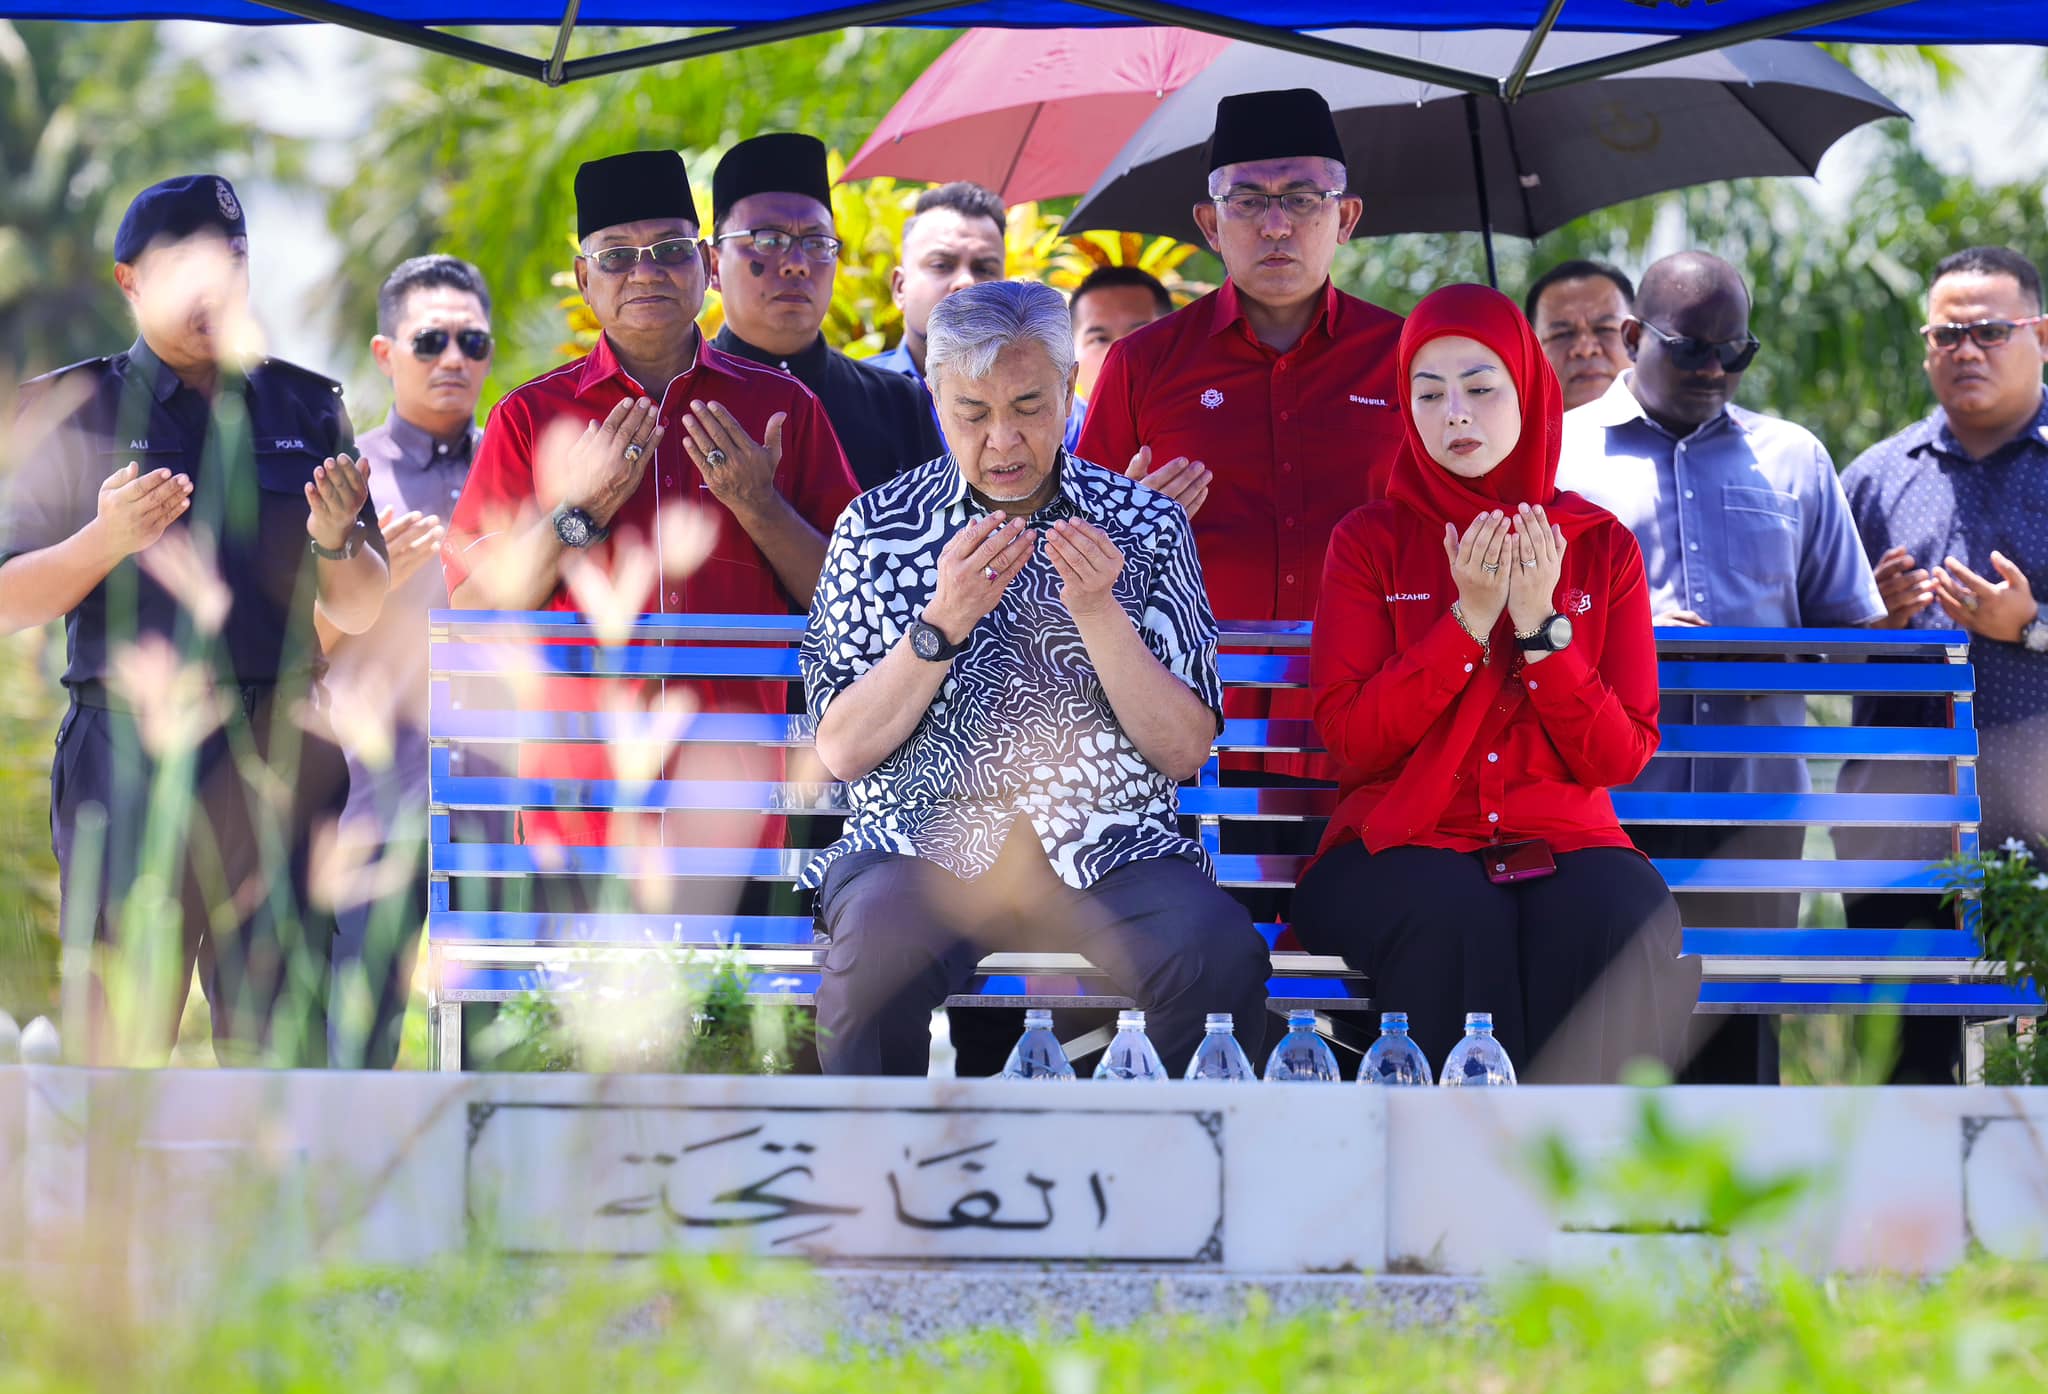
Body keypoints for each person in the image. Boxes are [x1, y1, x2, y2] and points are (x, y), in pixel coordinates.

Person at [800, 280, 1270, 1077]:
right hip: (919, 844)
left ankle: (1171, 1190)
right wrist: (941, 622)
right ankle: (878, 1194)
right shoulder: (876, 528)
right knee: (873, 972)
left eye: (1028, 406)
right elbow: (840, 751)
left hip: (1109, 845)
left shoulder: (1144, 524)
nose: (1004, 441)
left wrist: (1099, 612)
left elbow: (1185, 749)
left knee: (1216, 958)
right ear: (934, 400)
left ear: (1069, 389)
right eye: (973, 414)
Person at [0, 174, 387, 1065]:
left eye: (232, 260)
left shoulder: (307, 406)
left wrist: (335, 542)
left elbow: (361, 606)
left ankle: (274, 1211)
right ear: (129, 281)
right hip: (126, 758)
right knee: (116, 1056)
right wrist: (103, 541)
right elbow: (12, 595)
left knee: (280, 1050)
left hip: (278, 752)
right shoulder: (73, 409)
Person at [1291, 283, 1696, 1083]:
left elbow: (1620, 756)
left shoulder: (1597, 545)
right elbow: (1352, 741)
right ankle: (1446, 1188)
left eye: (1481, 388)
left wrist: (1543, 628)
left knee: (1620, 913)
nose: (1456, 415)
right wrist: (1468, 624)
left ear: (1528, 391)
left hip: (1565, 836)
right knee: (1450, 912)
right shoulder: (1372, 541)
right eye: (1428, 393)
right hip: (1401, 837)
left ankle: (1594, 1181)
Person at [443, 149, 858, 854]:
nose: (646, 271)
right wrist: (580, 513)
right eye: (616, 257)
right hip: (577, 809)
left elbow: (854, 600)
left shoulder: (782, 407)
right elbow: (472, 608)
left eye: (669, 249)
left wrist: (758, 506)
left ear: (703, 263)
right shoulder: (529, 418)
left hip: (740, 811)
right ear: (583, 278)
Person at [1556, 250, 1883, 1084]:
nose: (1713, 369)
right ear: (1633, 337)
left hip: (1754, 803)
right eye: (1690, 346)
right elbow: (1522, 621)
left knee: (1739, 1055)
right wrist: (1630, 628)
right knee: (1606, 1047)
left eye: (1735, 352)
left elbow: (1849, 633)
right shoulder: (1555, 457)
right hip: (1605, 807)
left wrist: (1762, 649)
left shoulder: (1795, 458)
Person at [1078, 88, 1404, 788]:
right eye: (1248, 200)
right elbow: (1071, 544)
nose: (1277, 224)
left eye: (1303, 198)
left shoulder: (1410, 357)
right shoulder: (1145, 363)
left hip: (1377, 719)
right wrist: (1126, 523)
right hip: (1188, 724)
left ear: (1345, 217)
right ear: (1209, 222)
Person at [1836, 245, 2048, 1083]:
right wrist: (1873, 622)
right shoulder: (1875, 480)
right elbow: (1815, 647)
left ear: (2041, 336)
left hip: (2040, 828)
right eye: (1947, 334)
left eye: (1991, 330)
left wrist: (2029, 627)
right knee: (1909, 1082)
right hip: (1901, 835)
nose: (1968, 350)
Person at [318, 253, 492, 1068]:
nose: (454, 358)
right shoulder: (342, 481)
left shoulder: (520, 467)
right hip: (372, 799)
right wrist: (370, 580)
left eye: (472, 341)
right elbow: (295, 645)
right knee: (355, 1046)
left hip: (501, 800)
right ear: (387, 354)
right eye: (430, 341)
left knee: (497, 1043)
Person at [709, 132, 944, 489]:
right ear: (713, 265)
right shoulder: (677, 401)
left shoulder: (896, 402)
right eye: (769, 240)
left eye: (817, 242)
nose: (797, 264)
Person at [869, 181, 1008, 382]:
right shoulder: (845, 399)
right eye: (941, 265)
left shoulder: (1051, 405)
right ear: (900, 288)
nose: (966, 281)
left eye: (985, 269)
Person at [1064, 264, 1175, 453]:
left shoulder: (1209, 417)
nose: (1120, 353)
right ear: (1071, 353)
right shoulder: (1054, 442)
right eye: (1100, 339)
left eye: (1140, 335)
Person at [1525, 259, 1635, 412]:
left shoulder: (1675, 431)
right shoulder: (1510, 434)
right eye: (1561, 335)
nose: (1585, 349)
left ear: (1636, 337)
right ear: (1531, 354)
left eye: (1605, 329)